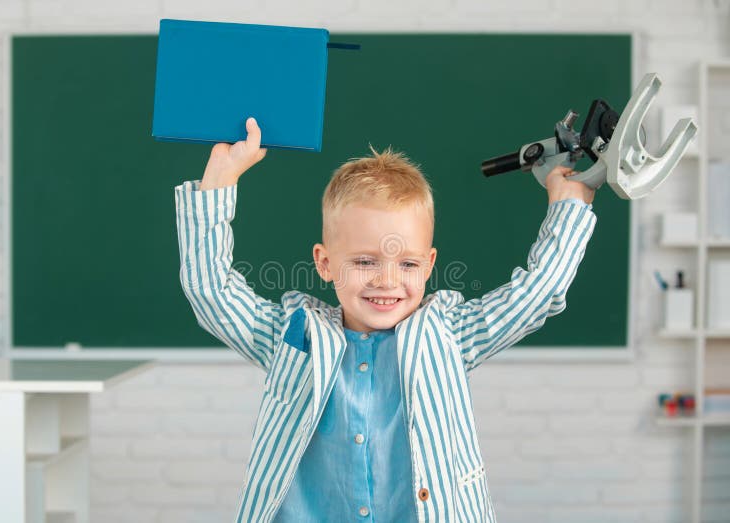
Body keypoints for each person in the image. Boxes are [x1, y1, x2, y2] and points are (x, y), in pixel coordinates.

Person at [175, 117, 596, 522]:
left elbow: (538, 292)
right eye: (363, 261)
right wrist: (219, 182)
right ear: (324, 263)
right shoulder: (292, 334)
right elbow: (211, 290)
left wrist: (568, 209)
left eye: (408, 264)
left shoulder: (449, 335)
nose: (387, 281)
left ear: (430, 266)